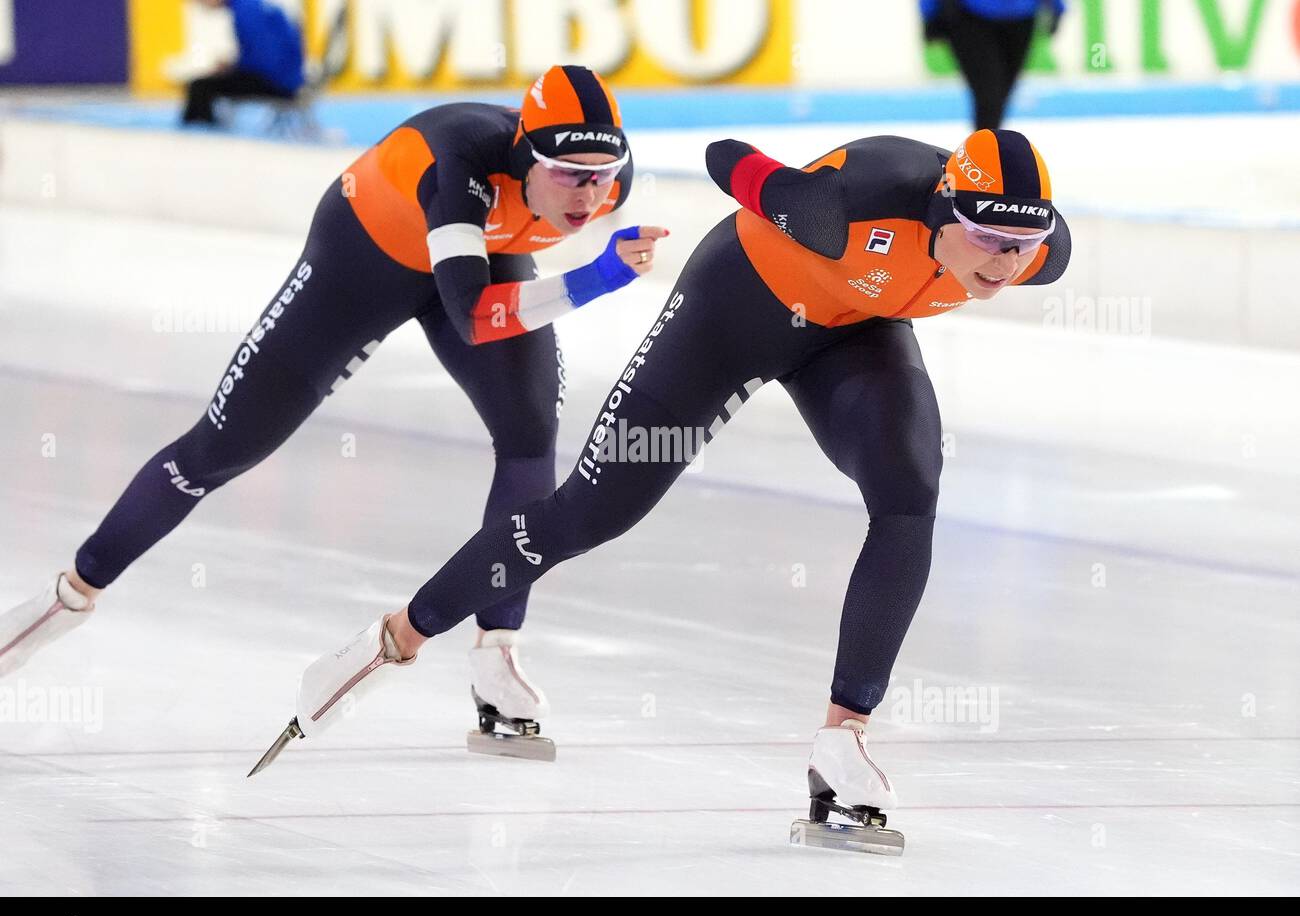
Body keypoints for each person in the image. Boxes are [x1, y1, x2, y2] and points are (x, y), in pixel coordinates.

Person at [253, 128, 1071, 851]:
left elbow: (1015, 243)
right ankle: (395, 635)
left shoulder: (1041, 252)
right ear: (940, 213)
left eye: (1022, 245)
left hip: (853, 332)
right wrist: (783, 190)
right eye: (988, 237)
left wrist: (1008, 246)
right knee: (589, 511)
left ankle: (841, 741)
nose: (1005, 262)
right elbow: (726, 157)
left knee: (909, 495)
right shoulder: (848, 206)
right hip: (734, 310)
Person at [0, 65, 668, 759]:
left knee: (530, 434)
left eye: (602, 173)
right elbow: (473, 318)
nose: (590, 193)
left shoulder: (604, 175)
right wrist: (595, 278)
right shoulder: (459, 166)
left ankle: (496, 653)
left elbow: (486, 294)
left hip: (483, 259)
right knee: (219, 450)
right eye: (567, 172)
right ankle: (66, 597)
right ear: (528, 152)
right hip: (365, 258)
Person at [922, 0, 1065, 131]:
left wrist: (1057, 6)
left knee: (999, 96)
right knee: (989, 98)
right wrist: (930, 10)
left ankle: (985, 150)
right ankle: (982, 153)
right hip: (969, 15)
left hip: (1022, 17)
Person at [182, 0, 306, 125]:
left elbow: (264, 58)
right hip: (286, 77)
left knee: (199, 87)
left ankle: (201, 133)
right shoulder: (252, 5)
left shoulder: (246, 11)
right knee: (205, 84)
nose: (200, 4)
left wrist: (234, 67)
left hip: (276, 81)